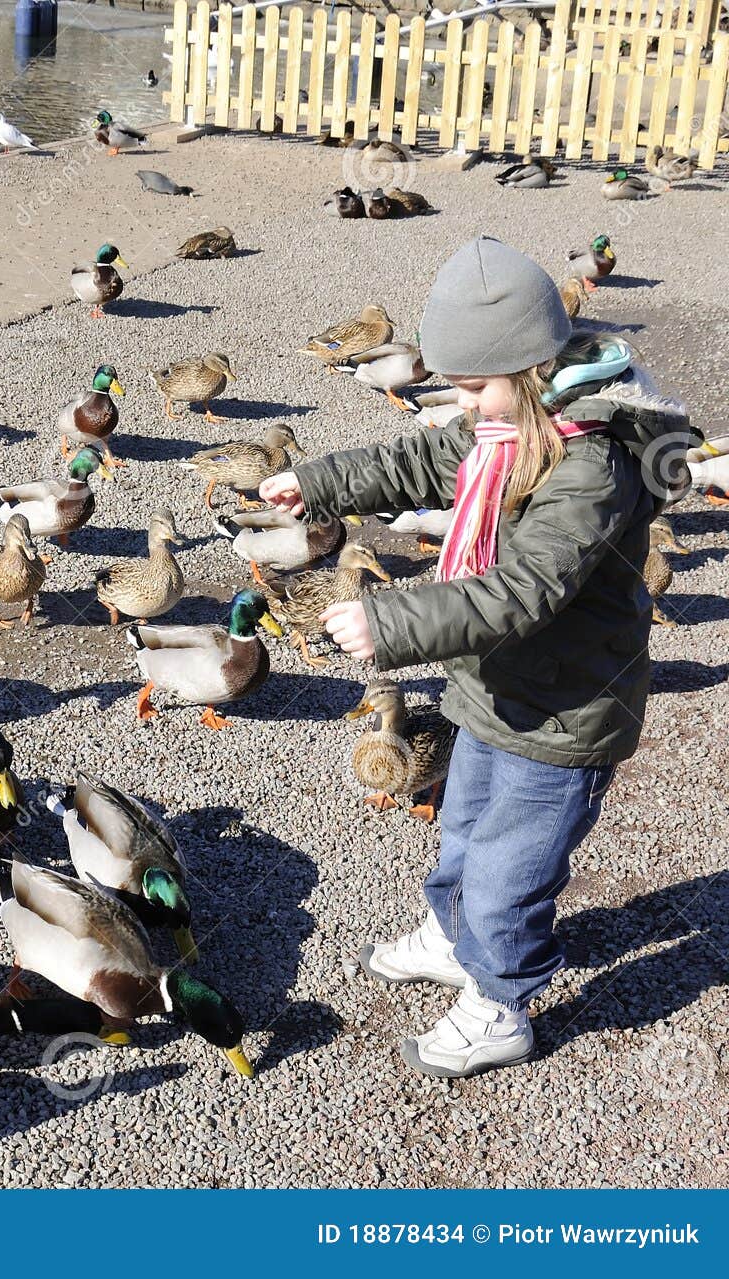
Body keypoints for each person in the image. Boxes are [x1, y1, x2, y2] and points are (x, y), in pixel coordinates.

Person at [259, 237, 695, 1078]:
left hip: (566, 705)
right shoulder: (506, 425)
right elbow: (416, 458)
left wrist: (392, 622)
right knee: (462, 825)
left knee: (512, 865)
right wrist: (318, 483)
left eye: (472, 388)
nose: (464, 408)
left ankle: (500, 999)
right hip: (494, 684)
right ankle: (455, 935)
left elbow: (521, 591)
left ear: (532, 368)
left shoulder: (591, 463)